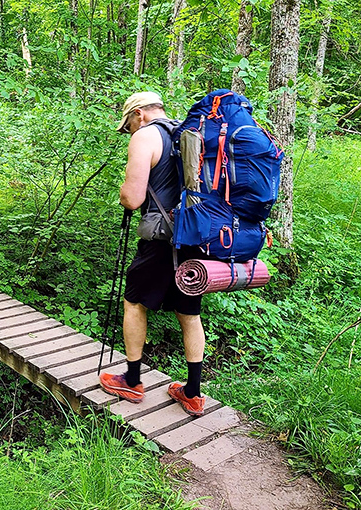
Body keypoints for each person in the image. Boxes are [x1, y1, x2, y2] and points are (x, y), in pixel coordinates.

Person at [98, 91, 207, 416]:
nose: (129, 131)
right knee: (189, 313)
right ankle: (193, 392)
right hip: (195, 236)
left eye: (128, 124)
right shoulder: (186, 133)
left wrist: (125, 192)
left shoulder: (146, 135)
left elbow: (132, 199)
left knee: (134, 301)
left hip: (161, 239)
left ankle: (131, 380)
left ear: (140, 114)